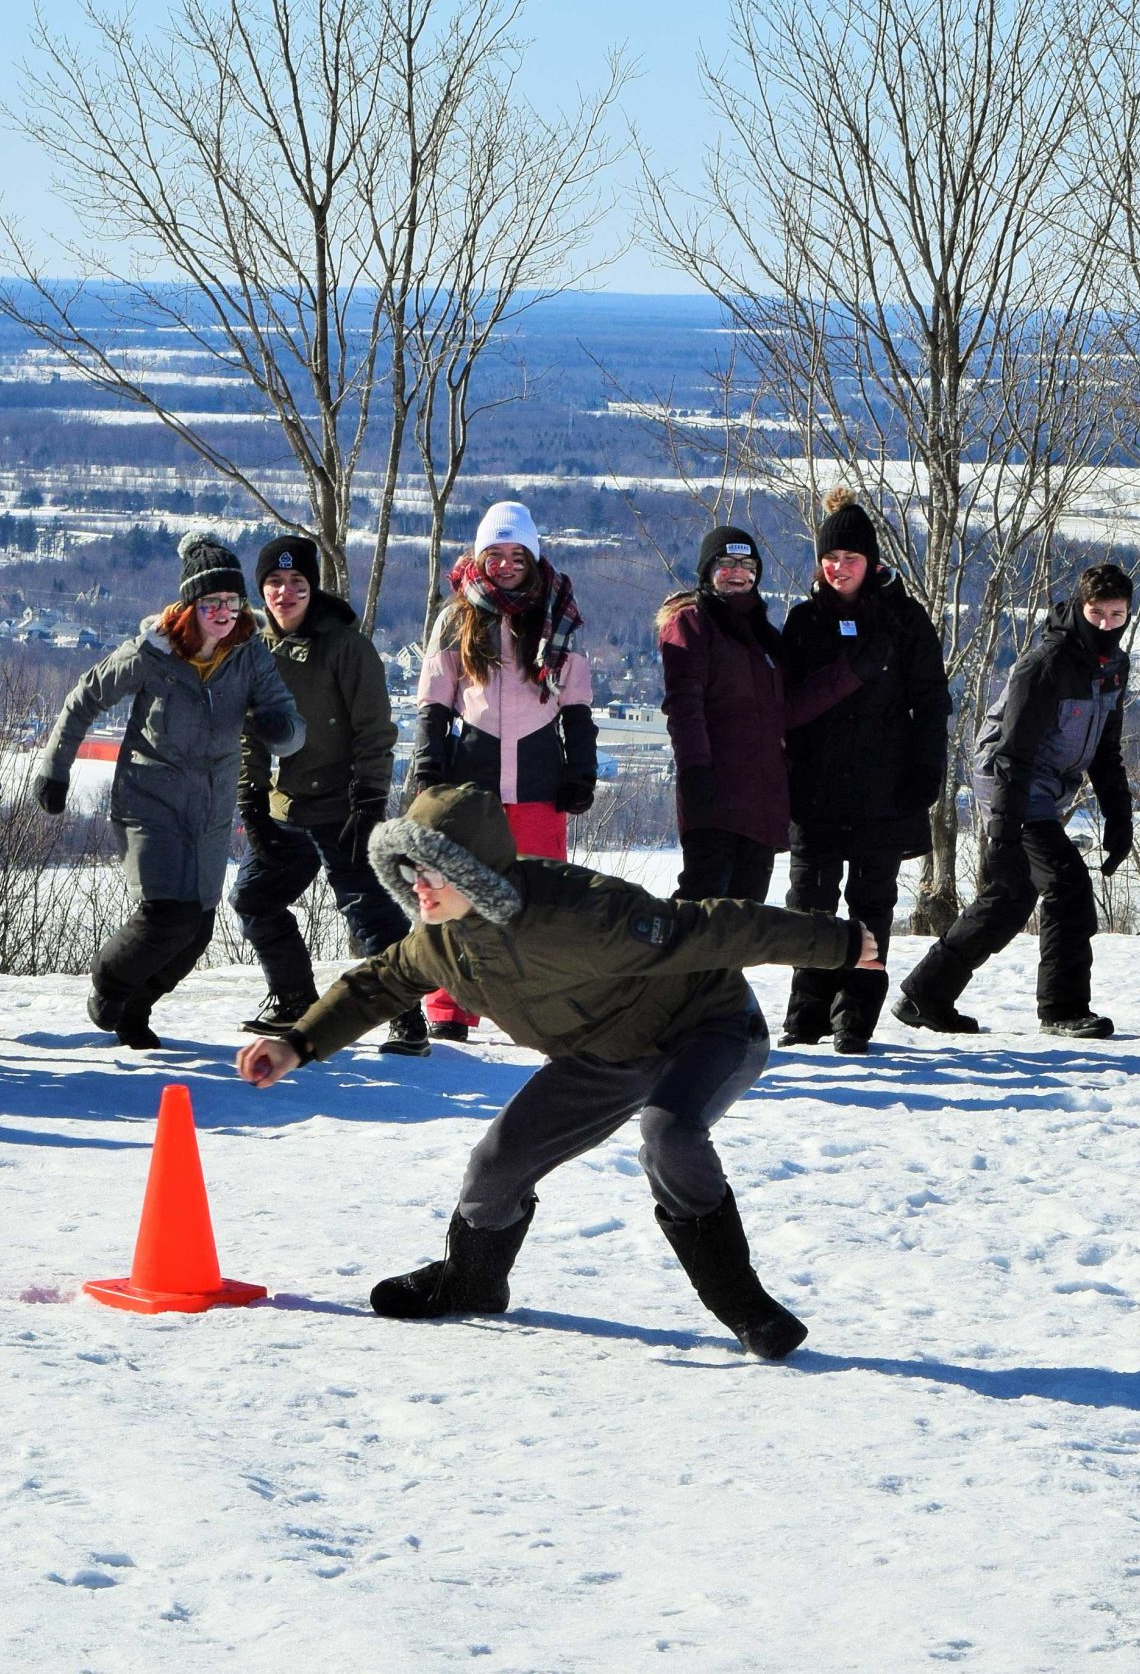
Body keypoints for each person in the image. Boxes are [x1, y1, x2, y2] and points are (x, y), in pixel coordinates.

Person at [234, 782, 878, 1358]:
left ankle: (745, 1307)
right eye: (410, 873)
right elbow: (377, 983)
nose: (419, 887)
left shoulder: (581, 915)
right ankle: (472, 1280)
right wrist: (297, 1044)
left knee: (671, 1136)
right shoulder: (437, 942)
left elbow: (712, 927)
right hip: (603, 1053)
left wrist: (839, 943)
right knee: (496, 1164)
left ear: (476, 871)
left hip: (704, 1025)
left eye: (433, 873)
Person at [35, 535, 305, 1048]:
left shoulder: (250, 655)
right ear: (191, 606)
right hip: (148, 797)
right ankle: (109, 984)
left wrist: (278, 728)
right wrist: (55, 770)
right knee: (168, 912)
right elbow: (85, 698)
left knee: (197, 929)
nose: (224, 613)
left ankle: (135, 1008)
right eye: (212, 603)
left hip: (210, 805)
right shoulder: (153, 652)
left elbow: (293, 725)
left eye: (231, 602)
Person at [896, 563, 1134, 1040]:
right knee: (1066, 883)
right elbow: (1012, 755)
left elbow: (1105, 752)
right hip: (1009, 778)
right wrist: (1004, 834)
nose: (1106, 624)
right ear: (1079, 610)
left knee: (1010, 896)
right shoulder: (1045, 665)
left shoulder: (1113, 669)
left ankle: (926, 994)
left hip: (1043, 783)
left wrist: (1119, 816)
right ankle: (1063, 1008)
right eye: (1097, 613)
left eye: (1116, 614)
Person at [407, 500, 596, 1043]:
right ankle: (449, 1009)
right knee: (452, 895)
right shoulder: (457, 614)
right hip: (471, 779)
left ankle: (543, 1008)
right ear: (480, 555)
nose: (508, 563)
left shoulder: (559, 615)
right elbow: (434, 703)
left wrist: (580, 769)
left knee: (542, 902)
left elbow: (577, 706)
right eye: (497, 553)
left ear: (533, 557)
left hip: (541, 781)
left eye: (518, 553)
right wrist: (428, 765)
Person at [231, 535, 422, 1055]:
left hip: (343, 807)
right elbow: (247, 731)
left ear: (313, 588)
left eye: (297, 583)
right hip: (284, 807)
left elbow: (375, 731)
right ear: (262, 589)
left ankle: (406, 1015)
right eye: (274, 583)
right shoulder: (252, 648)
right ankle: (293, 998)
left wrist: (369, 802)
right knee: (252, 898)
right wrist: (250, 799)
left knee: (368, 914)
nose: (285, 593)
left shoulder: (346, 647)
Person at [777, 487, 949, 1053]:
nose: (839, 568)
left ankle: (855, 1018)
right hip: (816, 792)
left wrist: (928, 771)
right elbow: (784, 706)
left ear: (871, 562)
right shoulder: (803, 621)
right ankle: (806, 1015)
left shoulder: (904, 620)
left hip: (884, 790)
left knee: (872, 905)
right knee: (810, 905)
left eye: (850, 558)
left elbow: (931, 703)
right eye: (830, 558)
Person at [658, 522, 877, 903]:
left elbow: (784, 712)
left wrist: (849, 674)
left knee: (745, 919)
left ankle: (727, 968)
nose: (738, 573)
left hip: (762, 803)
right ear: (708, 572)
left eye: (747, 566)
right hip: (715, 798)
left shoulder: (764, 636)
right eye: (725, 564)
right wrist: (695, 773)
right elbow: (684, 706)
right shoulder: (692, 623)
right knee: (701, 913)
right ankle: (666, 964)